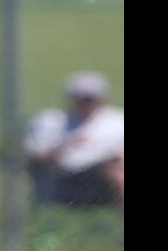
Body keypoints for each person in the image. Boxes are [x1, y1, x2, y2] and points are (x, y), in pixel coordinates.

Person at [24, 71, 124, 209]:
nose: (86, 103)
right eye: (81, 98)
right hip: (65, 179)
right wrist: (66, 145)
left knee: (118, 163)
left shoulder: (116, 121)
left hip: (106, 180)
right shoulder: (52, 121)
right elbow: (34, 157)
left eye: (90, 98)